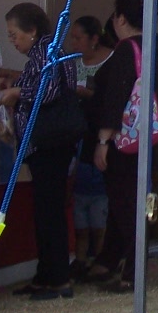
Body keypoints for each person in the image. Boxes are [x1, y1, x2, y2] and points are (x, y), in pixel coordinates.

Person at [2, 3, 79, 299]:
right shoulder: (47, 51)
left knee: (49, 212)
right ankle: (46, 274)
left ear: (32, 31)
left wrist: (17, 93)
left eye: (14, 35)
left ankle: (58, 279)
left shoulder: (47, 52)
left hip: (49, 144)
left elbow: (47, 91)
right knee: (45, 210)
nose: (13, 41)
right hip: (49, 145)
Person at [83, 0, 154, 293]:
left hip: (125, 144)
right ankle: (109, 259)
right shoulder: (154, 49)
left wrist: (103, 139)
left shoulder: (127, 51)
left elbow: (115, 98)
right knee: (127, 204)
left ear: (121, 19)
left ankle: (133, 272)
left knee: (127, 205)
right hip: (148, 140)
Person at [67, 16, 112, 277]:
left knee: (100, 207)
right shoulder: (72, 64)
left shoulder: (111, 61)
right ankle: (82, 260)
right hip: (78, 138)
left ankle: (102, 258)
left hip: (101, 136)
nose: (74, 43)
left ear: (94, 39)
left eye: (78, 37)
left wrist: (90, 96)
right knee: (81, 205)